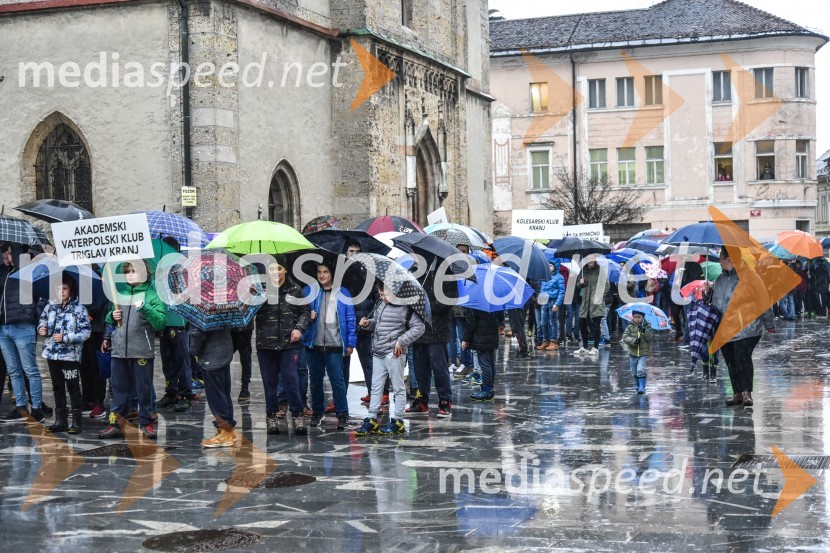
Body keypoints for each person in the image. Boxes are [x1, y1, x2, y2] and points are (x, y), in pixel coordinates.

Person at [99, 260, 168, 440]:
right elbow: (111, 320)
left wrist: (146, 308)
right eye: (127, 271)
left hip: (141, 350)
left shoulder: (151, 295)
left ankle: (146, 423)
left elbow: (160, 322)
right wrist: (111, 316)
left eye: (134, 271)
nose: (130, 274)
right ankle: (116, 423)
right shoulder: (121, 294)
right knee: (118, 389)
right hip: (119, 350)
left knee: (143, 389)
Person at [705, 247, 774, 407]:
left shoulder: (750, 277)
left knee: (742, 357)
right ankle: (737, 392)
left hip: (747, 328)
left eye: (721, 257)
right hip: (724, 329)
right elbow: (713, 303)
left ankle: (746, 392)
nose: (719, 261)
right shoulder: (719, 279)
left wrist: (769, 323)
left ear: (729, 259)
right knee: (731, 360)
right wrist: (707, 293)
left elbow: (763, 299)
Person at [355, 283, 425, 436]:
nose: (382, 297)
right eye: (380, 294)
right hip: (378, 351)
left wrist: (402, 341)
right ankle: (372, 418)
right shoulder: (380, 304)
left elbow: (419, 327)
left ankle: (398, 420)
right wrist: (368, 324)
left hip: (394, 353)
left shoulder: (405, 307)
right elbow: (379, 324)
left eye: (385, 294)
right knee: (376, 387)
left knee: (398, 388)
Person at [255, 254, 311, 435]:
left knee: (291, 380)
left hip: (289, 344)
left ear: (285, 270)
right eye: (271, 269)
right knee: (269, 382)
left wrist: (299, 329)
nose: (275, 272)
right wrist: (255, 296)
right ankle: (271, 415)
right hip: (266, 344)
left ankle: (297, 414)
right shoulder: (260, 289)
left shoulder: (295, 289)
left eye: (278, 268)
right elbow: (248, 311)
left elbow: (305, 311)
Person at [302, 261, 356, 431]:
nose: (322, 275)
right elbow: (300, 314)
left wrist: (350, 343)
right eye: (319, 272)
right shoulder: (309, 291)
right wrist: (308, 316)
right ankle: (318, 411)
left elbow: (350, 319)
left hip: (335, 345)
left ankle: (342, 413)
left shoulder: (343, 293)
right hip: (314, 344)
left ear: (332, 274)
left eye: (326, 271)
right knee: (315, 382)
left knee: (338, 381)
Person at [39, 274, 92, 433]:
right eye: (58, 288)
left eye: (65, 288)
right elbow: (42, 321)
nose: (61, 291)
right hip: (52, 354)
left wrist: (66, 337)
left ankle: (76, 422)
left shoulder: (79, 309)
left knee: (73, 387)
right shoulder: (50, 306)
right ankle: (60, 420)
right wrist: (42, 329)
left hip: (70, 356)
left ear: (71, 290)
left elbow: (86, 332)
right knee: (57, 387)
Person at [0, 243, 46, 422]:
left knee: (30, 370)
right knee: (14, 371)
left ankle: (36, 409)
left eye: (9, 253)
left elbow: (21, 258)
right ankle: (20, 408)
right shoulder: (4, 272)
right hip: (4, 327)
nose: (6, 256)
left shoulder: (26, 271)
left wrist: (16, 250)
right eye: (4, 253)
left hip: (22, 326)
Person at [407, 271, 453, 418]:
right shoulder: (414, 272)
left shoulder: (446, 271)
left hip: (437, 329)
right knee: (420, 368)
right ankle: (422, 400)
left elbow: (450, 299)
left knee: (439, 368)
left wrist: (428, 307)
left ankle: (445, 400)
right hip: (417, 328)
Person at [190, 325, 237, 448]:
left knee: (215, 395)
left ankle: (224, 431)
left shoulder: (202, 312)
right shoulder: (224, 311)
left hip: (210, 355)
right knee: (224, 392)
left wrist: (194, 350)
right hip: (224, 352)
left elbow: (197, 333)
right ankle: (229, 429)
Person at [463, 308, 501, 401]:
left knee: (485, 364)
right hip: (492, 335)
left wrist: (466, 338)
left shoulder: (475, 302)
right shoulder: (492, 301)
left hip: (481, 337)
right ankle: (489, 387)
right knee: (490, 363)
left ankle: (487, 390)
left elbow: (471, 322)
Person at [574, 259, 609, 357]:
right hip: (585, 303)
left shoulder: (600, 270)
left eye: (592, 260)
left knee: (595, 325)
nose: (590, 261)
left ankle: (595, 347)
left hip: (596, 304)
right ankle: (585, 347)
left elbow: (607, 285)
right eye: (588, 260)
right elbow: (578, 286)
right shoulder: (583, 271)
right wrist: (581, 283)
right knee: (582, 324)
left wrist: (599, 296)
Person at [621, 310, 653, 394]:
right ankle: (637, 383)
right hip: (633, 353)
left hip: (643, 353)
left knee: (641, 370)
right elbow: (625, 337)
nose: (637, 319)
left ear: (643, 317)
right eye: (635, 317)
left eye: (639, 317)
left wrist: (644, 331)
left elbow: (650, 337)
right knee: (634, 371)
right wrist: (634, 340)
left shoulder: (647, 326)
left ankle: (642, 386)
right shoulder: (630, 326)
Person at [536, 260, 565, 351]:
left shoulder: (559, 277)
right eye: (547, 266)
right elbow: (542, 289)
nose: (549, 268)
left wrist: (557, 304)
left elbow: (561, 292)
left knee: (553, 321)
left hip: (553, 300)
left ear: (555, 267)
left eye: (551, 266)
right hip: (544, 300)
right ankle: (546, 340)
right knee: (543, 322)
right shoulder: (545, 276)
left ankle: (554, 341)